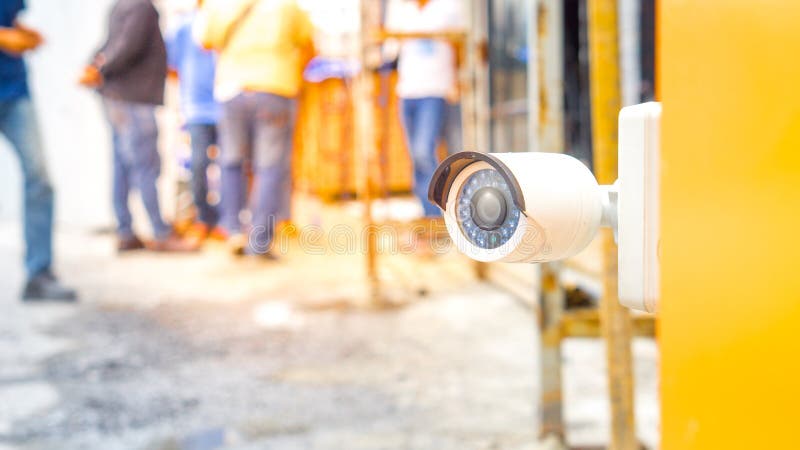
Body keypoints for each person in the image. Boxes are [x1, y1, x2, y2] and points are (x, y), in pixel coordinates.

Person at [196, 0, 315, 258]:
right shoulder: (287, 5)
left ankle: (233, 229)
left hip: (232, 88)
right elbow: (309, 44)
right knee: (270, 167)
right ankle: (259, 240)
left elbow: (205, 42)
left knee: (231, 161)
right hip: (275, 87)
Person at [79, 0, 197, 253]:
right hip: (133, 98)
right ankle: (161, 232)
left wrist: (94, 67)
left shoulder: (121, 5)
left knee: (122, 165)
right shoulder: (142, 6)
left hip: (118, 96)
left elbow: (108, 45)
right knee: (145, 165)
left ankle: (126, 232)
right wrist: (99, 68)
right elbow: (125, 48)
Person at [0, 1, 77, 301]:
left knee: (40, 179)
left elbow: (13, 22)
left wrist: (26, 35)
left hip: (15, 93)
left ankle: (39, 274)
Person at [384, 0, 465, 218]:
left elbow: (460, 46)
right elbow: (391, 50)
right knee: (415, 155)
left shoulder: (449, 7)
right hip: (407, 91)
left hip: (436, 89)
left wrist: (457, 80)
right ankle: (428, 210)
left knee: (424, 151)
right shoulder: (401, 8)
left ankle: (436, 214)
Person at [166, 0, 221, 246]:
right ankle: (203, 218)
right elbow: (172, 67)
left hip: (226, 102)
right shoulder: (183, 26)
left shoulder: (226, 22)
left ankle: (227, 221)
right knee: (198, 164)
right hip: (197, 108)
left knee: (232, 165)